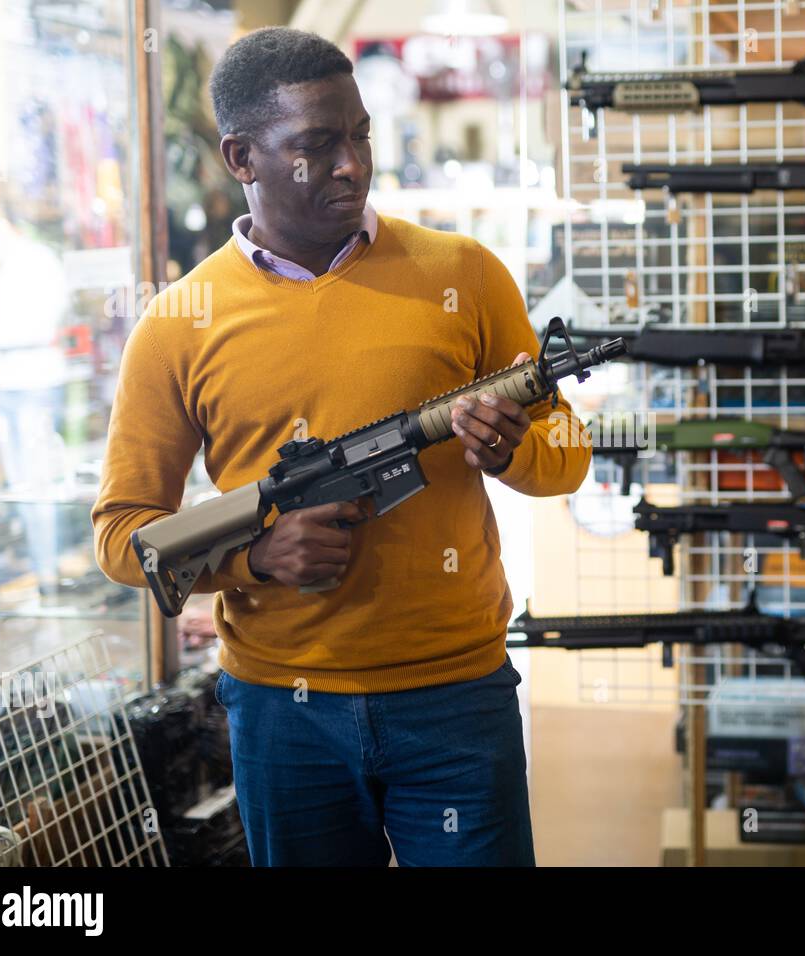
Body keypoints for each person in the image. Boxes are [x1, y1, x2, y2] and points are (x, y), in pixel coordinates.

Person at [91, 27, 591, 866]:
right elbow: (121, 535)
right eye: (315, 147)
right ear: (241, 156)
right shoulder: (177, 323)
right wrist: (258, 559)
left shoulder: (463, 273)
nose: (353, 164)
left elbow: (567, 451)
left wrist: (509, 452)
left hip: (457, 694)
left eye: (359, 134)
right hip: (285, 713)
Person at [0, 201, 70, 598]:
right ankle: (41, 566)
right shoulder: (7, 269)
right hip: (11, 387)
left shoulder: (37, 263)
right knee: (21, 483)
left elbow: (41, 329)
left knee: (38, 485)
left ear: (1, 226)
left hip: (35, 387)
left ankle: (49, 574)